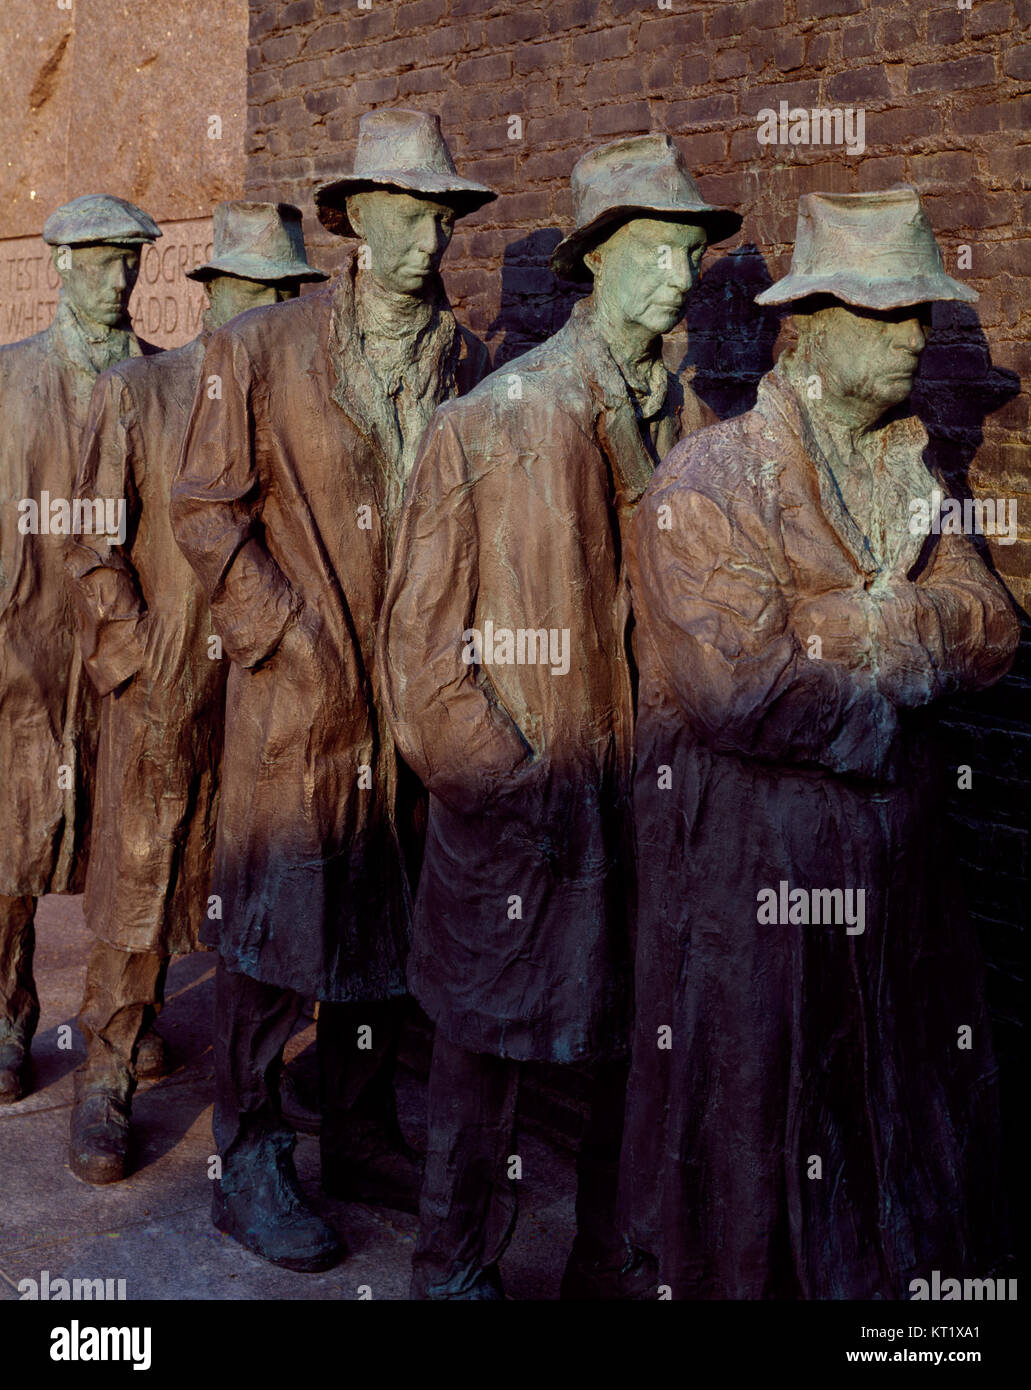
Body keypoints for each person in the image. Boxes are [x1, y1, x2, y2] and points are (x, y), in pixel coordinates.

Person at [621, 186, 1020, 1299]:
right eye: (888, 315)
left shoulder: (912, 471)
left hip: (894, 886)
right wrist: (881, 675)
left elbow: (986, 629)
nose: (912, 338)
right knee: (754, 1135)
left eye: (918, 316)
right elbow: (735, 687)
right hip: (758, 881)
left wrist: (867, 627)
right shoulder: (709, 482)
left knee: (887, 1131)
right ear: (813, 322)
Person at [378, 133, 741, 1299]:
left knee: (635, 1046)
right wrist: (505, 788)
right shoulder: (494, 420)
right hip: (522, 807)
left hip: (643, 804)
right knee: (482, 1053)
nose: (678, 279)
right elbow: (422, 658)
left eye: (688, 254)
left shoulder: (685, 425)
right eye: (652, 254)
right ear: (596, 263)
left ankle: (609, 1250)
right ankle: (453, 1267)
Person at [170, 109, 496, 1272]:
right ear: (354, 219)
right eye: (404, 216)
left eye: (439, 218)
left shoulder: (468, 362)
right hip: (297, 706)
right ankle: (247, 1151)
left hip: (411, 707)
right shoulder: (259, 350)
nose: (426, 240)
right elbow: (205, 511)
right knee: (272, 934)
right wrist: (284, 639)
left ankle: (355, 1126)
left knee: (388, 927)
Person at [65, 201, 326, 1184]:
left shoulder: (301, 404)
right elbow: (90, 539)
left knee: (256, 879)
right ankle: (106, 1072)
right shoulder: (140, 391)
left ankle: (256, 1079)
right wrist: (132, 659)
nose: (264, 316)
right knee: (140, 877)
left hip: (264, 692)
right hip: (164, 677)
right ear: (212, 296)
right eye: (249, 295)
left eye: (281, 298)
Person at [0, 195, 160, 1103]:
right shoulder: (8, 378)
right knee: (10, 842)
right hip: (24, 644)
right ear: (59, 264)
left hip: (126, 649)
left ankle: (121, 1032)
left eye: (129, 261)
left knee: (132, 846)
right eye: (98, 262)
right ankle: (4, 1012)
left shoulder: (164, 379)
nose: (117, 279)